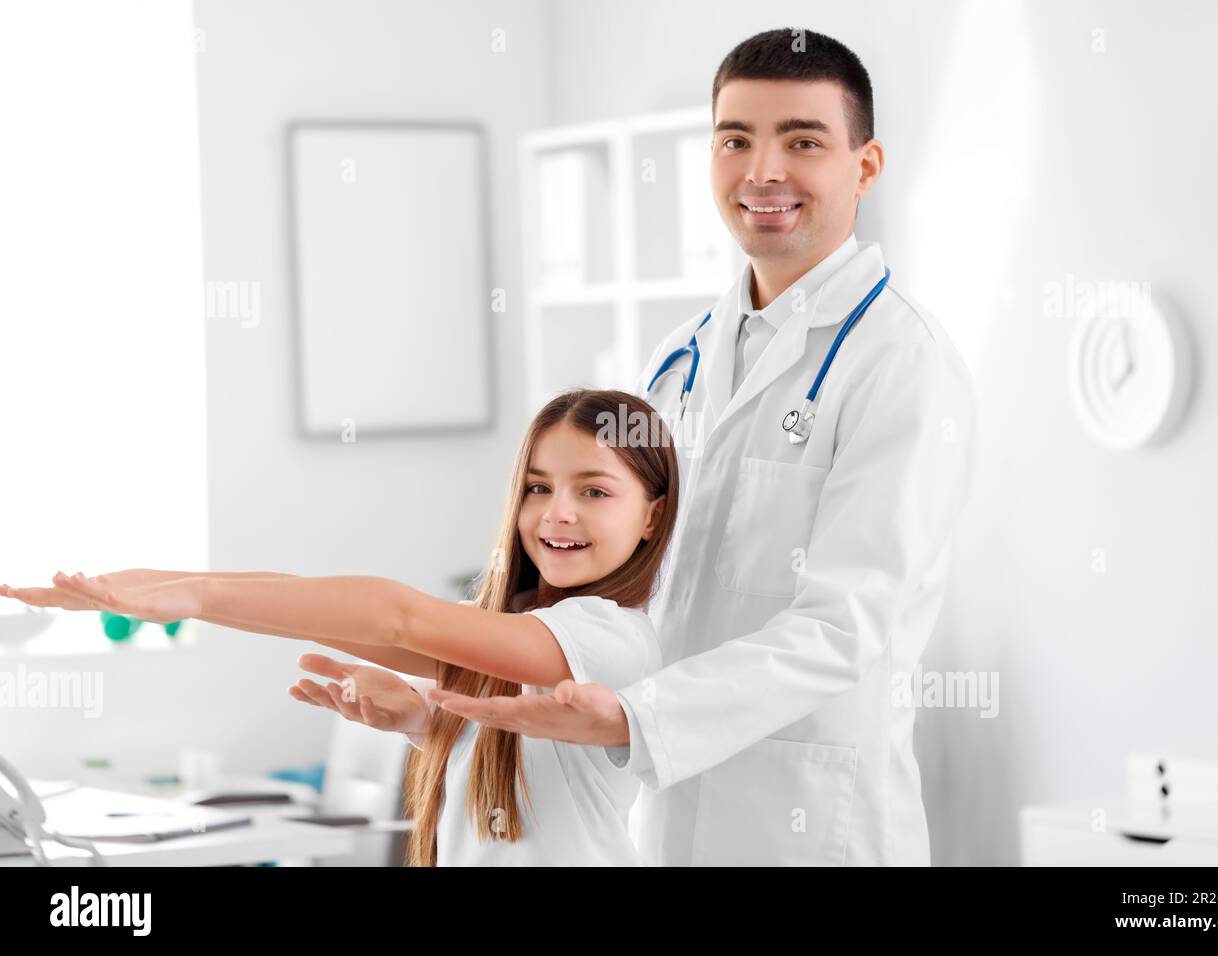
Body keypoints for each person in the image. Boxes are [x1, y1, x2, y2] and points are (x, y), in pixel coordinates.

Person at [411, 28, 979, 866]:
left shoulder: (903, 364)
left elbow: (845, 624)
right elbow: (627, 584)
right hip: (668, 813)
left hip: (815, 823)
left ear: (865, 167)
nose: (763, 171)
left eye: (803, 141)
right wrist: (446, 710)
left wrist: (642, 719)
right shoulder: (677, 358)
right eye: (735, 140)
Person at [0, 388, 679, 867]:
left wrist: (197, 597)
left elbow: (398, 617)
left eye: (593, 491)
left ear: (651, 515)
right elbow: (305, 602)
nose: (556, 514)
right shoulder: (522, 631)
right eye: (537, 487)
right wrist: (143, 587)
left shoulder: (609, 639)